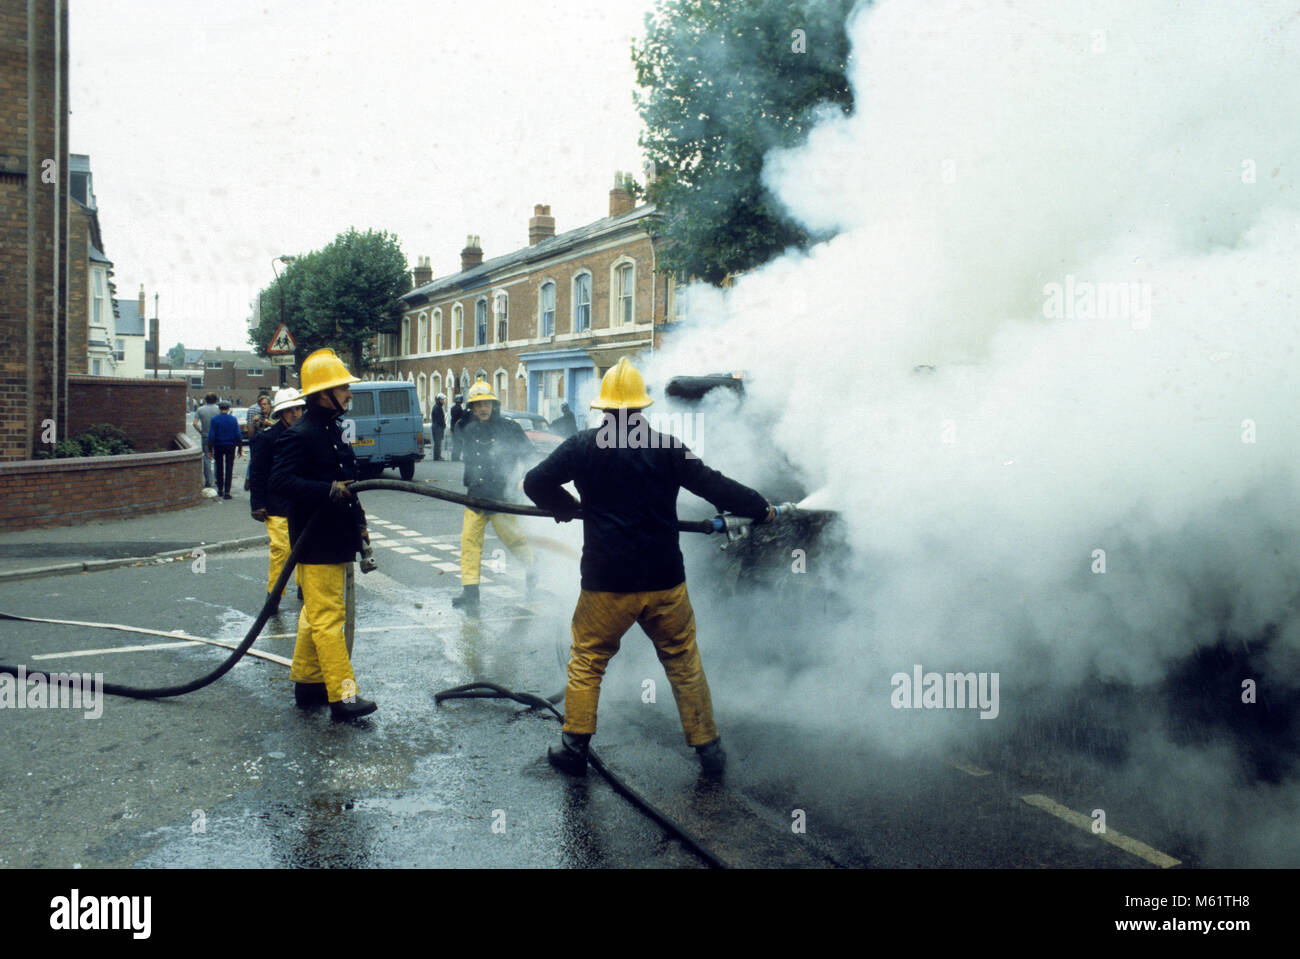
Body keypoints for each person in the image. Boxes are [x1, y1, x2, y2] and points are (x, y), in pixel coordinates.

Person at [523, 357, 775, 780]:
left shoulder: (582, 446)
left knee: (588, 659)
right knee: (682, 660)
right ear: (641, 408)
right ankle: (708, 748)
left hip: (607, 582)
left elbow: (535, 482)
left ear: (604, 408)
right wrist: (760, 508)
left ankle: (573, 749)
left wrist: (567, 508)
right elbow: (717, 485)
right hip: (664, 581)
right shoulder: (668, 447)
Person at [270, 349, 376, 721]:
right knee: (328, 618)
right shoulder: (300, 434)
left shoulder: (330, 430)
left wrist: (360, 525)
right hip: (316, 543)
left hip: (336, 537)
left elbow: (349, 483)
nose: (348, 393)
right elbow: (280, 482)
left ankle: (308, 683)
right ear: (322, 393)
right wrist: (326, 490)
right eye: (343, 387)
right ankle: (343, 696)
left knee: (313, 615)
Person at [451, 379, 537, 615]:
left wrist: (524, 479)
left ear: (494, 404)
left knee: (515, 541)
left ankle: (533, 577)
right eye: (477, 405)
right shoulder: (467, 428)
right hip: (475, 497)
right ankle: (470, 594)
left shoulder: (510, 428)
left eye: (486, 403)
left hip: (502, 497)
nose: (482, 409)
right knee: (469, 544)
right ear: (472, 407)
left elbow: (530, 456)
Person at [249, 387, 306, 615]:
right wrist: (257, 504)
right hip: (278, 505)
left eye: (299, 409)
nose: (295, 414)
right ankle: (274, 596)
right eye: (290, 410)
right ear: (280, 413)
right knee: (282, 550)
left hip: (304, 504)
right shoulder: (267, 439)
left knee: (305, 547)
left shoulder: (307, 435)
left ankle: (305, 587)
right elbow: (257, 472)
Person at [207, 399, 243, 500]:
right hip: (230, 446)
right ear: (228, 408)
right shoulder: (233, 419)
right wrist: (240, 448)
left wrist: (210, 450)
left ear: (219, 408)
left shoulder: (214, 420)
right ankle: (227, 491)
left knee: (219, 467)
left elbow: (211, 436)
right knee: (229, 468)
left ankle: (220, 490)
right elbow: (238, 434)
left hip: (218, 445)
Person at [192, 392, 220, 489]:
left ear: (205, 400)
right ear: (216, 400)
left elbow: (195, 423)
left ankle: (208, 481)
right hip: (217, 437)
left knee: (207, 458)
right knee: (218, 458)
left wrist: (201, 431)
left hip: (205, 436)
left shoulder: (200, 410)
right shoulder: (219, 409)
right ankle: (218, 479)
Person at [430, 393, 447, 461]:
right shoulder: (437, 408)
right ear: (439, 400)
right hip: (437, 427)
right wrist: (443, 425)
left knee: (438, 442)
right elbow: (440, 418)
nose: (443, 401)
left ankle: (437, 456)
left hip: (437, 426)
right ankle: (437, 457)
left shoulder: (437, 407)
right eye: (443, 400)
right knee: (438, 442)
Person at [449, 394, 466, 461]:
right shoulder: (459, 409)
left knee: (455, 443)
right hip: (458, 428)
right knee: (458, 443)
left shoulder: (453, 408)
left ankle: (454, 457)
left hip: (453, 427)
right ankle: (456, 457)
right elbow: (460, 419)